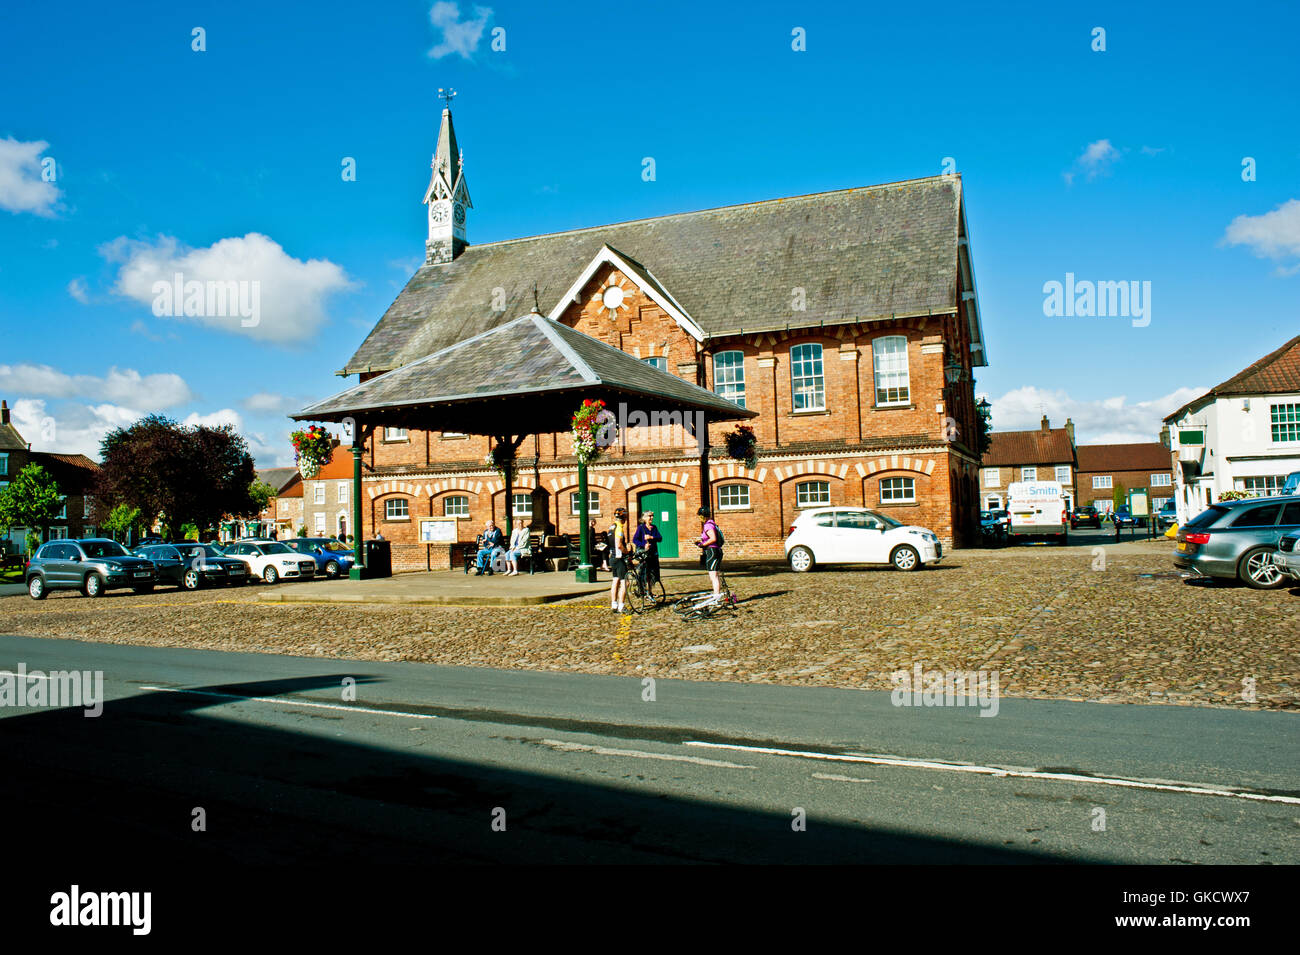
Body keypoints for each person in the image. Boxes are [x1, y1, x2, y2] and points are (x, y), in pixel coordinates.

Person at [693, 506, 724, 597]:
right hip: (715, 551)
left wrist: (703, 545)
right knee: (715, 575)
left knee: (713, 576)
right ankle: (716, 594)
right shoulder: (712, 524)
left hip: (712, 551)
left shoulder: (708, 525)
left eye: (700, 516)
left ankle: (716, 596)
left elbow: (713, 538)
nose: (699, 518)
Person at [607, 507, 630, 613]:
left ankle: (614, 604)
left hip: (612, 557)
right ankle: (621, 606)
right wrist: (627, 551)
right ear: (623, 517)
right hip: (618, 557)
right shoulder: (619, 528)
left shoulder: (611, 527)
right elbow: (619, 545)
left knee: (615, 580)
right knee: (625, 582)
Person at [632, 510, 662, 587]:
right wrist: (643, 545)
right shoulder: (641, 528)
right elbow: (635, 540)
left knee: (653, 573)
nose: (651, 517)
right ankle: (643, 590)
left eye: (652, 516)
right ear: (644, 518)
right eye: (649, 516)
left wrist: (651, 537)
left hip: (653, 553)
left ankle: (650, 591)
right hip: (644, 554)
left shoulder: (654, 527)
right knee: (644, 572)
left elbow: (660, 538)